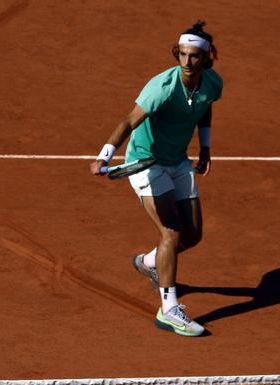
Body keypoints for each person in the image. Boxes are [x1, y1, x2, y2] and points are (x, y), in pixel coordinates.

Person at [90, 20, 223, 337]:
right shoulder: (161, 88)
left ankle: (149, 262)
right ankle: (169, 310)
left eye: (194, 56)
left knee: (192, 236)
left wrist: (204, 147)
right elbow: (127, 121)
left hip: (177, 160)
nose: (187, 62)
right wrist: (104, 156)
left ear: (206, 58)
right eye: (182, 55)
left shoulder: (212, 83)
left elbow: (204, 108)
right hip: (145, 162)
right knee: (171, 233)